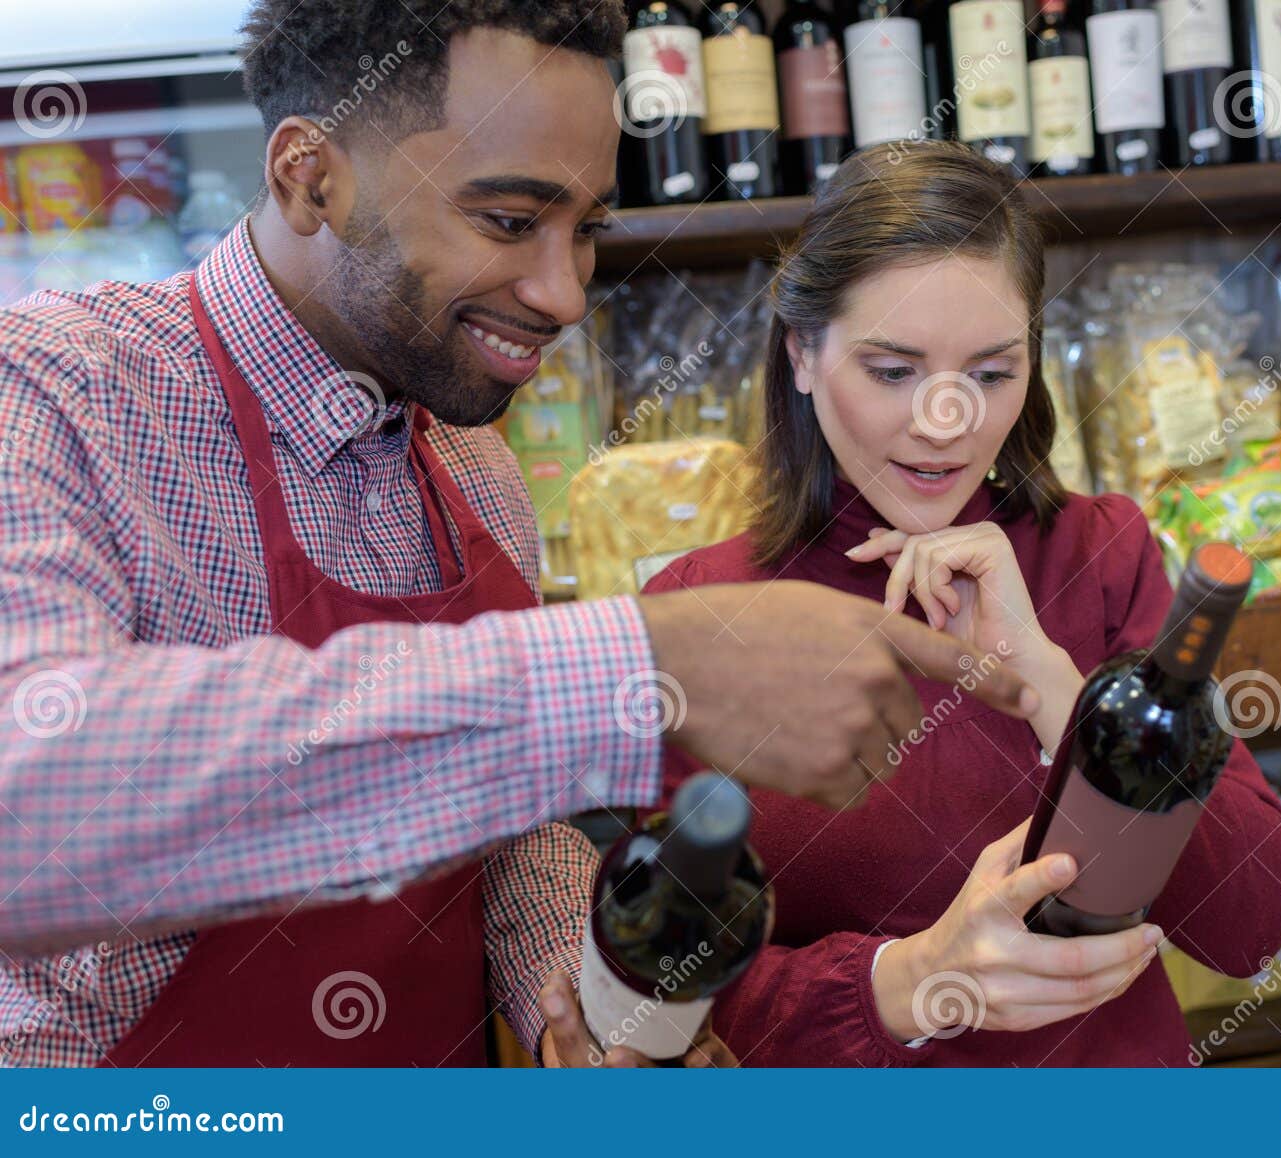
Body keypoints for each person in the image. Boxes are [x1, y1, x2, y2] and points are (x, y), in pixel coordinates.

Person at [0, 5, 1039, 1067]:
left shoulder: (474, 469)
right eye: (508, 222)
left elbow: (497, 829)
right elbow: (27, 799)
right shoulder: (58, 388)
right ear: (310, 178)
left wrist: (571, 983)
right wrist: (643, 665)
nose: (564, 291)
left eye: (584, 228)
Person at [643, 140, 1281, 1067]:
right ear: (800, 353)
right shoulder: (699, 607)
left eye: (990, 375)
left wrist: (1056, 691)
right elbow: (657, 1005)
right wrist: (905, 984)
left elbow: (1253, 926)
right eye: (892, 370)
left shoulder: (1102, 553)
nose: (944, 421)